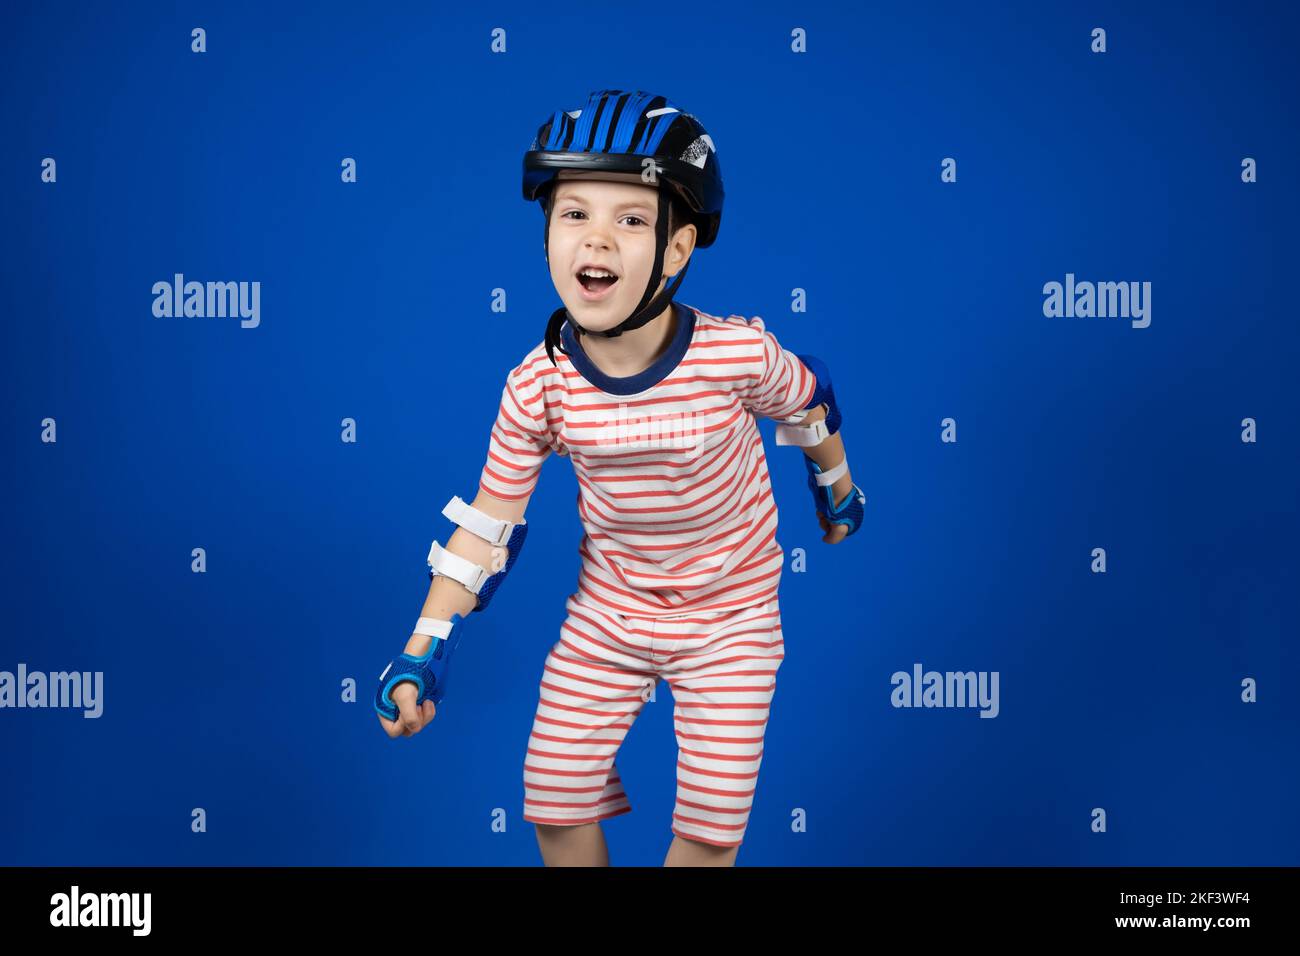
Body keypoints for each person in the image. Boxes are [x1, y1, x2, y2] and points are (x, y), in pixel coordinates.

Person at [375, 90, 866, 867]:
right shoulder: (539, 385)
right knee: (554, 796)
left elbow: (813, 402)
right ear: (546, 234)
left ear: (677, 251)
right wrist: (422, 648)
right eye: (574, 214)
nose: (595, 238)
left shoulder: (735, 357)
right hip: (610, 611)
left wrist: (834, 486)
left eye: (631, 220)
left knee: (709, 825)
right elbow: (486, 529)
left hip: (730, 615)